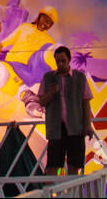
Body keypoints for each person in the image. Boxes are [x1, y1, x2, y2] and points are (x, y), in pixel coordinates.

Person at [35, 46, 95, 175]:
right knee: (53, 166)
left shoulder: (79, 77)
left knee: (74, 166)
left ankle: (72, 193)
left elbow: (86, 102)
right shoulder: (48, 77)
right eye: (58, 61)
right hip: (56, 129)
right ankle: (50, 193)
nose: (60, 64)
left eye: (63, 61)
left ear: (69, 60)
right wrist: (51, 93)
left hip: (75, 128)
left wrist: (88, 125)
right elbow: (41, 102)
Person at [0, 6, 58, 116]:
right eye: (45, 19)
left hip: (30, 70)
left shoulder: (50, 41)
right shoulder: (24, 27)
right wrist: (0, 46)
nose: (45, 23)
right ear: (39, 17)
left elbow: (47, 61)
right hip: (13, 66)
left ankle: (39, 102)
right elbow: (10, 39)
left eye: (49, 23)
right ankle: (29, 99)